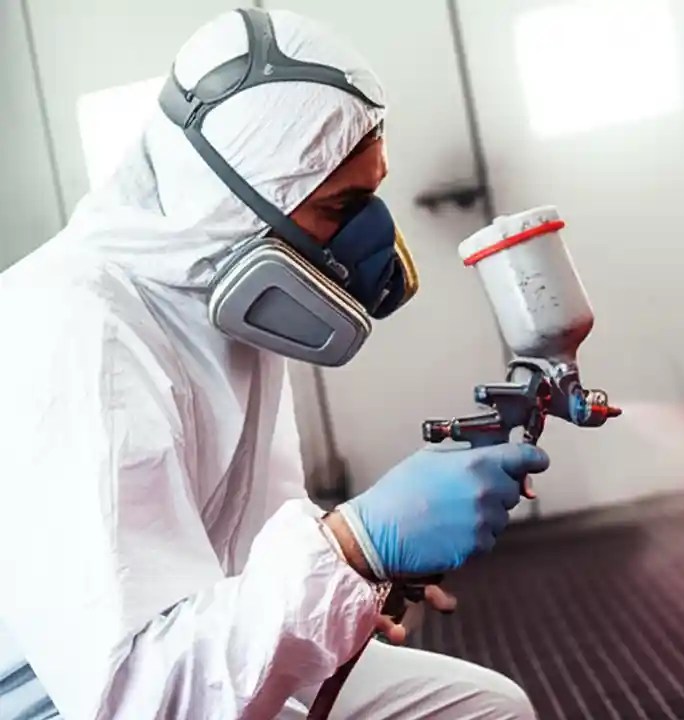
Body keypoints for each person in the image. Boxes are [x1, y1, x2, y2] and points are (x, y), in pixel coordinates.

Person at [0, 8, 546, 720]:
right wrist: (354, 548)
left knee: (484, 709)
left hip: (197, 660)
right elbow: (132, 696)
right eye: (344, 207)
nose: (370, 241)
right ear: (237, 205)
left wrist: (354, 581)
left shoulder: (212, 300)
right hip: (60, 698)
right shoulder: (79, 336)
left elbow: (241, 537)